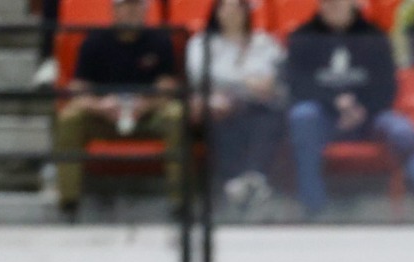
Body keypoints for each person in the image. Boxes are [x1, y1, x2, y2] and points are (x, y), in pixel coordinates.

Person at [286, 0, 414, 218]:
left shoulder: (374, 35)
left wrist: (360, 109)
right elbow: (298, 84)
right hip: (324, 116)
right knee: (302, 116)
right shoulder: (303, 37)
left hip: (370, 116)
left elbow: (387, 87)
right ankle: (314, 207)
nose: (332, 5)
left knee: (403, 130)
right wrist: (335, 102)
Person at [53, 0, 182, 219]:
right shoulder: (94, 41)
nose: (131, 12)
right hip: (105, 116)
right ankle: (69, 203)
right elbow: (77, 88)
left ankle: (180, 203)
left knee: (177, 114)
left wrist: (145, 104)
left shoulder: (160, 40)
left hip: (147, 115)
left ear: (145, 10)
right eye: (125, 6)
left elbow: (168, 87)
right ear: (114, 10)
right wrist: (100, 106)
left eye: (136, 6)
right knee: (69, 117)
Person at [189, 0, 285, 211]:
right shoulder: (202, 43)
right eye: (226, 7)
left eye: (237, 7)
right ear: (217, 12)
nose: (232, 13)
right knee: (221, 114)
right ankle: (232, 182)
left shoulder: (264, 42)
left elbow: (274, 79)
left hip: (258, 106)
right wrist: (246, 81)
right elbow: (199, 76)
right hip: (219, 107)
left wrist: (238, 84)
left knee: (269, 116)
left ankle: (254, 177)